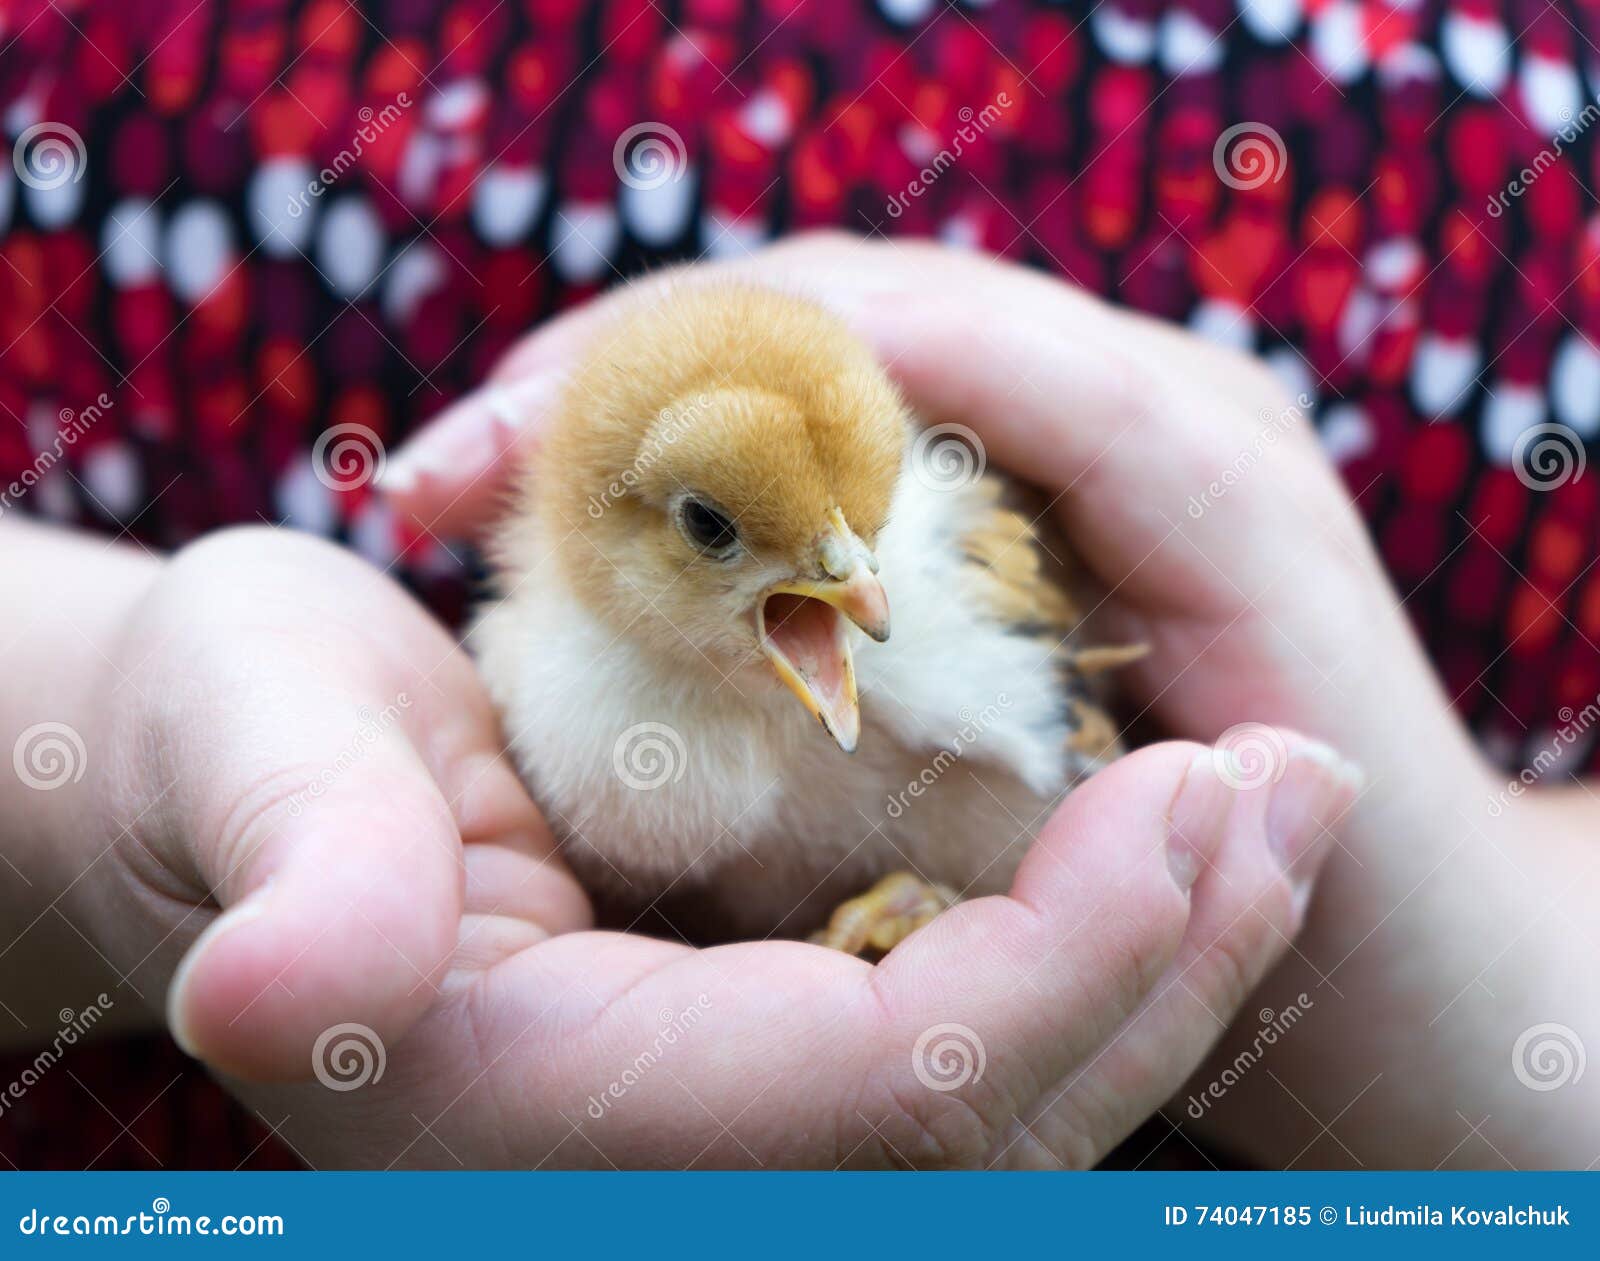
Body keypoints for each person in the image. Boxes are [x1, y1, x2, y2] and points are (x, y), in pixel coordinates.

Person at [1, 1, 1595, 1169]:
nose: (858, 586)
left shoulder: (933, 593)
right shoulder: (548, 665)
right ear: (597, 521)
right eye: (719, 534)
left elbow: (1050, 715)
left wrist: (1513, 1025)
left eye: (855, 527)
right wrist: (90, 771)